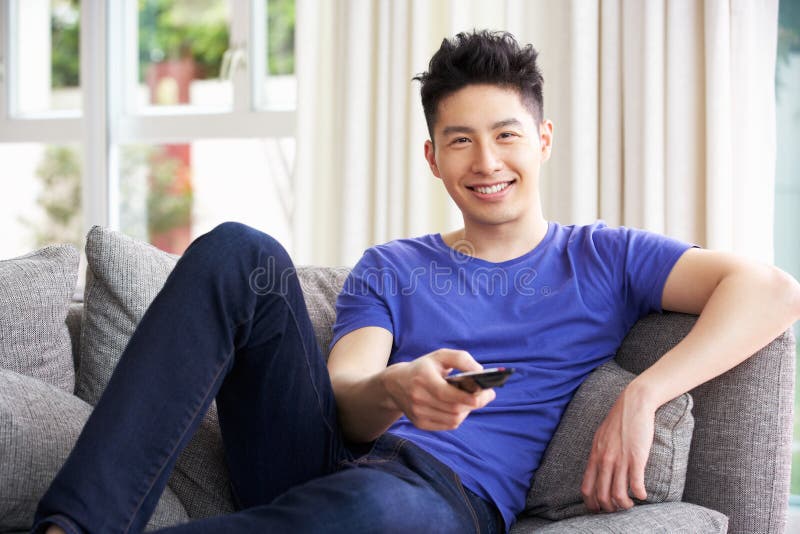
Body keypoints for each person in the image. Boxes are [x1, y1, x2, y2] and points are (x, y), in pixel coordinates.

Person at [35, 30, 800, 534]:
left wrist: (644, 394)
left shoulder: (602, 256)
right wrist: (402, 388)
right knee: (240, 249)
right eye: (459, 141)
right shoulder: (393, 265)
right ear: (433, 158)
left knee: (378, 507)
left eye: (505, 136)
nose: (486, 161)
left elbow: (771, 289)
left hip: (444, 498)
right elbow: (343, 391)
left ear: (543, 139)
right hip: (321, 465)